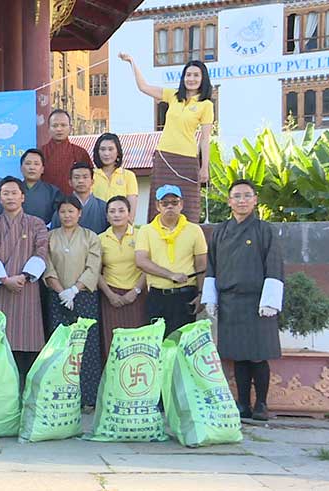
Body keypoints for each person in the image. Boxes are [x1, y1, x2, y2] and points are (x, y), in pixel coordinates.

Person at [202, 179, 284, 421]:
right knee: (237, 355)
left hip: (258, 302)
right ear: (229, 201)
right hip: (230, 301)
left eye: (247, 195)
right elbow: (212, 266)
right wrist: (211, 298)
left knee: (258, 354)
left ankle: (261, 404)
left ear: (255, 199)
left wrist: (270, 301)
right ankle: (242, 404)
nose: (242, 200)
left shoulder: (264, 230)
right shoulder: (220, 231)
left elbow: (274, 265)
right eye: (237, 196)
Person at [120, 54, 214, 223]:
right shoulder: (173, 96)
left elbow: (205, 139)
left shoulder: (205, 105)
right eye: (188, 75)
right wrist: (132, 61)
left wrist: (204, 167)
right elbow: (143, 87)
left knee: (188, 206)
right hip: (164, 157)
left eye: (196, 75)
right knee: (160, 201)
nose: (191, 79)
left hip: (188, 161)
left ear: (203, 79)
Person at [0, 176, 49, 380]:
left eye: (14, 193)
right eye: (6, 193)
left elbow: (41, 252)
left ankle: (29, 385)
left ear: (23, 197)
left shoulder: (36, 224)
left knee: (29, 337)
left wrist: (23, 276)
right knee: (3, 340)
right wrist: (5, 280)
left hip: (27, 286)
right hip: (2, 288)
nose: (10, 197)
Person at [44, 196, 103, 406]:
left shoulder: (91, 237)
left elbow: (93, 267)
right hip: (57, 297)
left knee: (86, 347)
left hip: (84, 296)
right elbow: (47, 265)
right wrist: (61, 292)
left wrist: (74, 290)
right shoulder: (49, 237)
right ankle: (62, 397)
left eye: (71, 211)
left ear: (79, 213)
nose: (67, 216)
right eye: (63, 212)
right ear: (58, 215)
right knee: (61, 346)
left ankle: (88, 398)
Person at [135, 185, 207, 337]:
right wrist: (170, 275)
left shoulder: (194, 230)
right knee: (157, 344)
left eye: (174, 202)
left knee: (183, 344)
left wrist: (201, 294)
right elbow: (141, 261)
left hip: (186, 296)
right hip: (157, 296)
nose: (170, 206)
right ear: (157, 206)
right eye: (164, 203)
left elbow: (202, 264)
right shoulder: (146, 230)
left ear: (181, 204)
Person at [98, 196, 147, 361]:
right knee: (113, 345)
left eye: (121, 210)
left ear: (129, 213)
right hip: (110, 297)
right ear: (106, 216)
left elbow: (148, 267)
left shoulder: (142, 235)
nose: (116, 215)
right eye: (112, 211)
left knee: (137, 343)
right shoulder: (100, 239)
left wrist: (136, 291)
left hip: (138, 296)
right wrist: (110, 295)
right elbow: (95, 271)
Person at [40, 109, 92, 195]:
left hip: (74, 203)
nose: (59, 129)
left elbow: (88, 180)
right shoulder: (41, 152)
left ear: (70, 128)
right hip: (46, 201)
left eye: (63, 125)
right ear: (48, 128)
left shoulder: (80, 153)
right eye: (55, 125)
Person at [91, 133, 139, 224]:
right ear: (97, 152)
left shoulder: (128, 176)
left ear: (118, 152)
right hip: (95, 225)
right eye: (102, 149)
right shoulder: (91, 176)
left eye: (111, 149)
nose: (106, 153)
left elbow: (131, 210)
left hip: (120, 226)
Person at [50, 162, 108, 234]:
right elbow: (54, 235)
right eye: (76, 177)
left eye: (85, 177)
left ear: (92, 181)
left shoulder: (103, 207)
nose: (81, 181)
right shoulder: (62, 207)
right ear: (70, 182)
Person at [20, 148, 64, 223]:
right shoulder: (14, 191)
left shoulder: (53, 192)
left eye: (36, 164)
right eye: (28, 163)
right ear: (21, 168)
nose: (32, 167)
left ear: (42, 169)